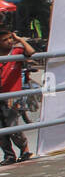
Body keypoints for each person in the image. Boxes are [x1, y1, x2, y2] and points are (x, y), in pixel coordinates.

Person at [0, 28, 35, 164]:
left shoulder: (16, 52)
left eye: (10, 38)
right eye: (4, 40)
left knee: (13, 125)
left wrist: (20, 40)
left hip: (12, 95)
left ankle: (25, 150)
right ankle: (9, 155)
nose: (9, 42)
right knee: (1, 129)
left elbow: (31, 52)